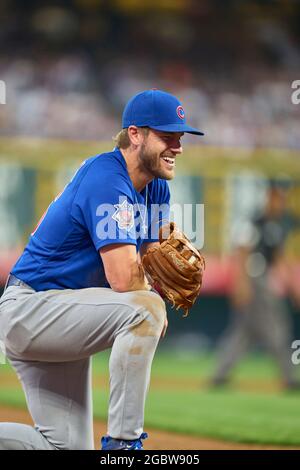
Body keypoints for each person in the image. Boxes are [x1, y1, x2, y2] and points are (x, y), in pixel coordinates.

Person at [0, 89, 204, 450]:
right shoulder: (106, 177)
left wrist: (151, 290)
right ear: (135, 134)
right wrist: (150, 300)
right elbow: (125, 279)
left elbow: (155, 254)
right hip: (31, 307)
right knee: (146, 310)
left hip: (62, 312)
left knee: (65, 448)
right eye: (167, 136)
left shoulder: (156, 189)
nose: (178, 146)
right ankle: (124, 445)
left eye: (180, 136)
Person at [211, 182, 300, 391]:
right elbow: (242, 253)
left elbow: (279, 258)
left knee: (243, 333)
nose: (281, 203)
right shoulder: (256, 221)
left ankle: (220, 375)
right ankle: (288, 377)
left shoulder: (276, 225)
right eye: (278, 198)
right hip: (254, 280)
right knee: (277, 328)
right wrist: (241, 285)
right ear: (269, 197)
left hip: (262, 280)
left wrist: (292, 287)